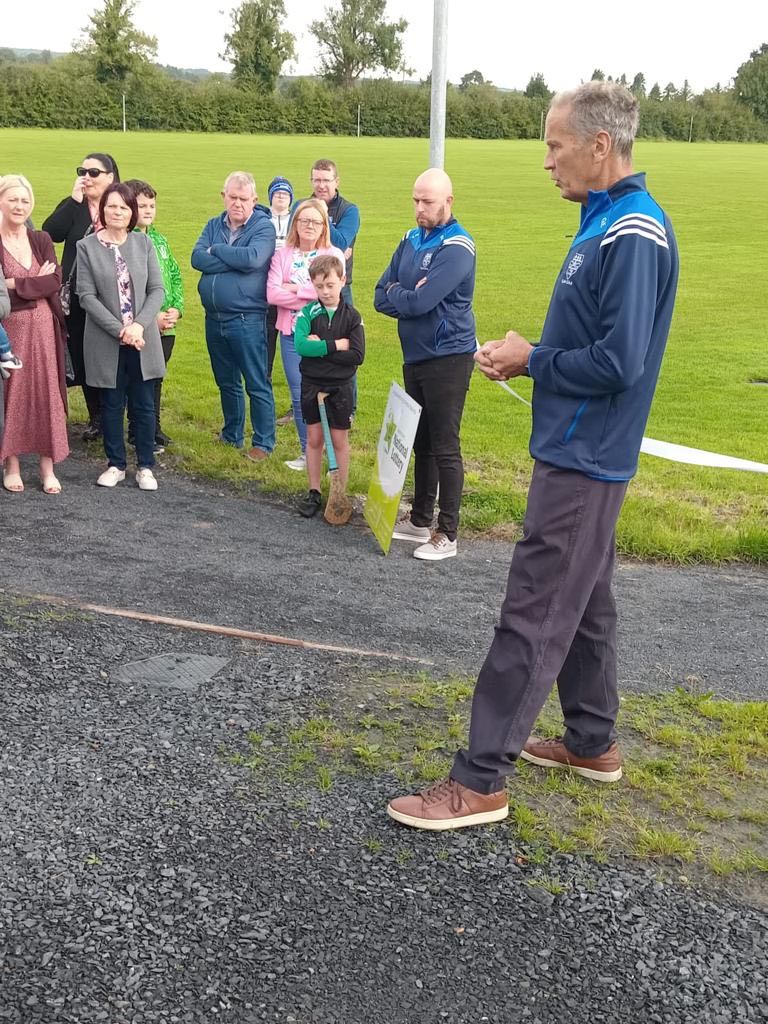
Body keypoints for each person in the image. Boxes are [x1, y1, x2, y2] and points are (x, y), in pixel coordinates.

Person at [387, 81, 679, 831]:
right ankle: (593, 742)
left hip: (586, 455)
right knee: (586, 601)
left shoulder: (634, 232)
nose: (547, 161)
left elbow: (621, 361)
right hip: (577, 445)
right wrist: (530, 359)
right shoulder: (605, 221)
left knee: (535, 610)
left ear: (599, 146)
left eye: (554, 146)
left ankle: (480, 778)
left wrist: (532, 359)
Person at [373, 167, 477, 562]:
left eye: (427, 202)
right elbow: (380, 295)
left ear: (448, 201)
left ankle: (447, 533)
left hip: (448, 355)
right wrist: (404, 291)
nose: (419, 208)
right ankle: (419, 518)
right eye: (415, 200)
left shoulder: (458, 247)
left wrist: (403, 294)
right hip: (415, 354)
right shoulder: (410, 238)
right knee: (421, 443)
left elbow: (422, 302)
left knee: (445, 445)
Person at [76, 183, 166, 491]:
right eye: (112, 206)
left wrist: (138, 326)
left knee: (144, 404)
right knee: (111, 403)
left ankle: (145, 466)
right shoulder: (86, 246)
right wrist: (121, 330)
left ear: (132, 213)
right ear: (103, 210)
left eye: (124, 207)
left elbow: (157, 290)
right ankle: (115, 463)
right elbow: (86, 296)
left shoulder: (143, 244)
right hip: (107, 339)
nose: (118, 212)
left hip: (143, 338)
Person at [191, 172, 276, 462]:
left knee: (255, 381)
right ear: (223, 196)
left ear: (254, 200)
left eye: (244, 198)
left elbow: (253, 259)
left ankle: (263, 443)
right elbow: (197, 258)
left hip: (246, 318)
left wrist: (218, 251)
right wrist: (232, 259)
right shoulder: (214, 224)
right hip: (213, 317)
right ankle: (231, 435)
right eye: (232, 197)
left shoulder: (263, 227)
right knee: (226, 381)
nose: (237, 203)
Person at [42, 152, 120, 441]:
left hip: (113, 295)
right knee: (83, 356)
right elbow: (51, 232)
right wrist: (74, 200)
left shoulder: (119, 205)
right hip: (75, 296)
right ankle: (96, 417)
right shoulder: (75, 206)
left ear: (111, 176)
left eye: (94, 172)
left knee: (110, 355)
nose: (86, 177)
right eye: (82, 171)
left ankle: (115, 414)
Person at [0, 175, 69, 495]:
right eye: (13, 199)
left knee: (46, 394)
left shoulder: (40, 239)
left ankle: (47, 466)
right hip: (9, 329)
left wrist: (13, 284)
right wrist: (31, 285)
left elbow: (54, 281)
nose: (19, 206)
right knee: (11, 395)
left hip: (44, 328)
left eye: (25, 201)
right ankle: (11, 463)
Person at [266, 200, 345, 472]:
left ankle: (332, 456)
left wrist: (295, 289)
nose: (309, 226)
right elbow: (272, 294)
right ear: (295, 224)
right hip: (292, 334)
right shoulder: (283, 254)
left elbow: (333, 295)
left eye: (315, 221)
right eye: (303, 221)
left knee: (328, 393)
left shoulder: (332, 253)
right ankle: (306, 450)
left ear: (324, 225)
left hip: (326, 335)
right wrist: (310, 292)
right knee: (301, 393)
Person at [293, 255, 364, 518]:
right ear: (313, 284)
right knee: (314, 439)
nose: (325, 292)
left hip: (340, 386)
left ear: (342, 281)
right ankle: (314, 491)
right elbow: (301, 346)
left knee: (338, 440)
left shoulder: (353, 316)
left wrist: (319, 348)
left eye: (331, 285)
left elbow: (357, 355)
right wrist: (335, 345)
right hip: (312, 384)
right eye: (319, 286)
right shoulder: (308, 313)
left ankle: (338, 492)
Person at [124, 179, 183, 453]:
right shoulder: (129, 242)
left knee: (157, 376)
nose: (148, 210)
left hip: (167, 326)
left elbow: (173, 275)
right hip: (144, 324)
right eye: (141, 205)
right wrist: (152, 317)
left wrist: (177, 309)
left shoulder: (159, 240)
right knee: (141, 378)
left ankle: (154, 427)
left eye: (151, 205)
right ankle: (138, 430)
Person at [297, 160, 359, 305]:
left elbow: (341, 244)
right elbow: (294, 241)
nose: (321, 185)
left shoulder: (349, 210)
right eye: (317, 180)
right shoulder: (300, 206)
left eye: (326, 180)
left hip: (337, 286)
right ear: (311, 181)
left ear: (336, 182)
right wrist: (332, 252)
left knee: (342, 327)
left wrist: (322, 214)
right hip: (303, 281)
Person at [266, 175, 293, 384]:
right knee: (266, 339)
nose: (281, 196)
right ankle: (264, 377)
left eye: (285, 193)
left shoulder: (297, 221)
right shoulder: (262, 221)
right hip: (266, 288)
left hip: (290, 289)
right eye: (277, 193)